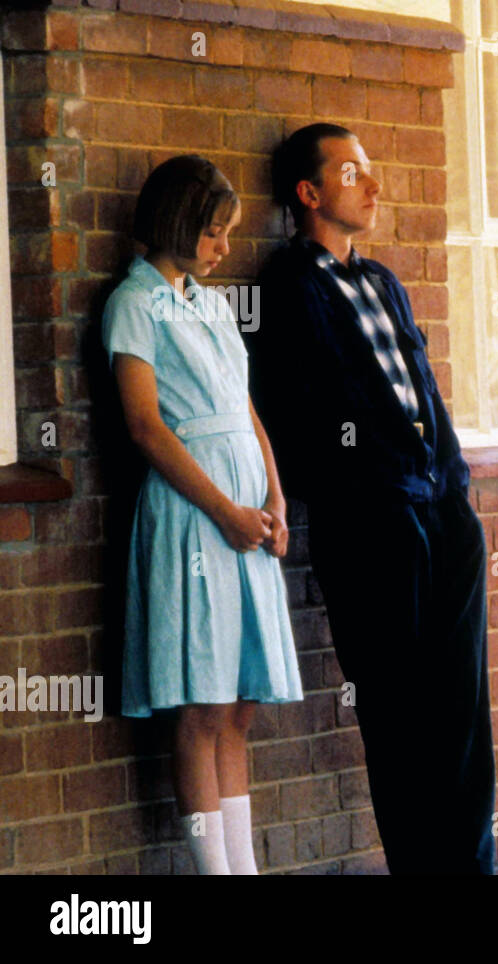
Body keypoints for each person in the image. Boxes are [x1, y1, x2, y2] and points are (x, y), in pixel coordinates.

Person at [247, 123, 495, 875]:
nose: (373, 186)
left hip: (440, 510)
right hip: (371, 523)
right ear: (310, 193)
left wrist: (454, 488)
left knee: (462, 710)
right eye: (354, 173)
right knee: (397, 716)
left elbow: (422, 392)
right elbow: (300, 409)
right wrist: (373, 484)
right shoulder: (289, 286)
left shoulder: (384, 281)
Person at [102, 155, 303, 875]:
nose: (223, 248)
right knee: (201, 704)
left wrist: (274, 497)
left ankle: (243, 868)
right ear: (179, 223)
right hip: (196, 516)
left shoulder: (211, 304)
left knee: (241, 704)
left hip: (246, 511)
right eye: (214, 232)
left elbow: (244, 409)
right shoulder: (134, 303)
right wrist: (224, 511)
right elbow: (145, 426)